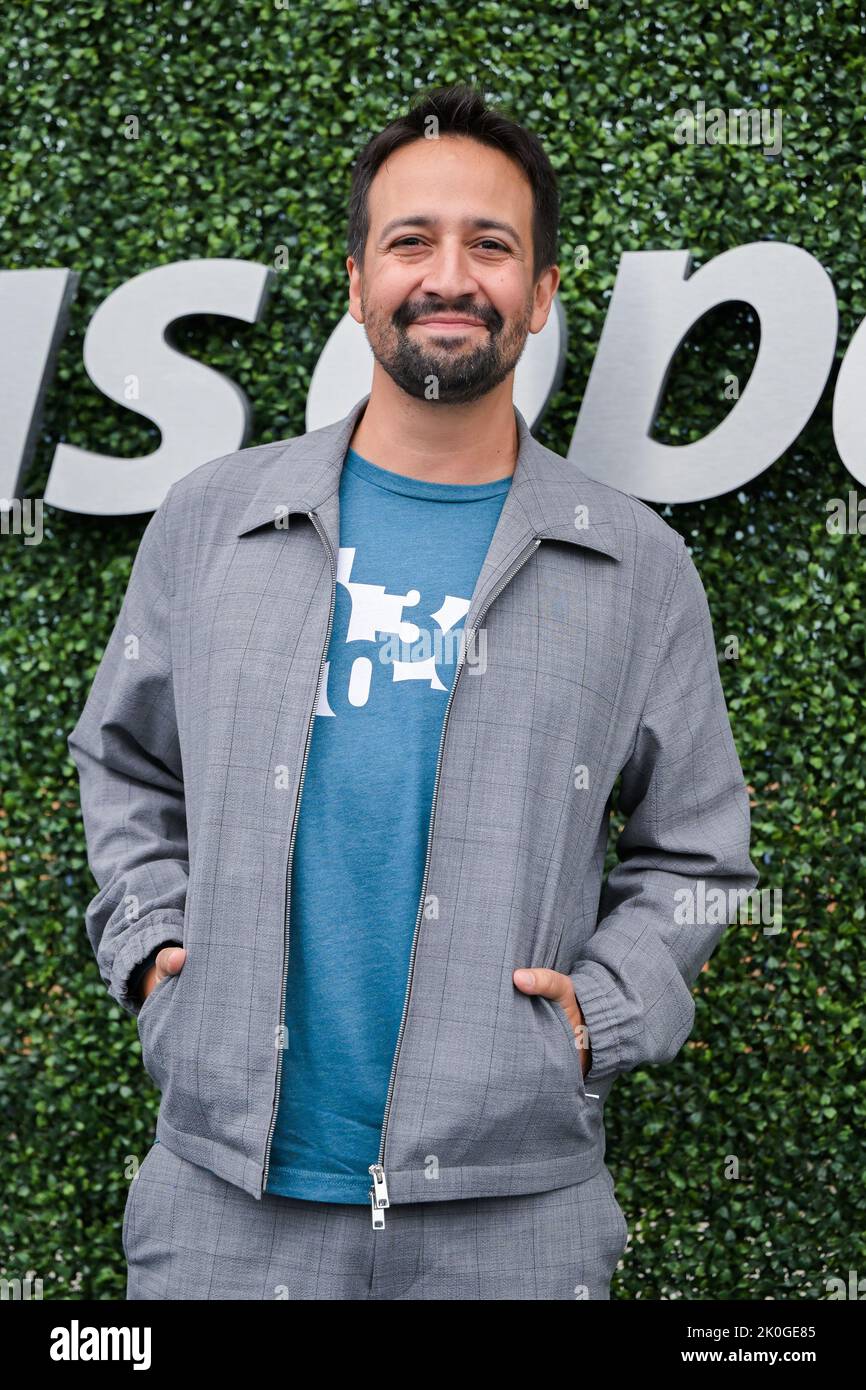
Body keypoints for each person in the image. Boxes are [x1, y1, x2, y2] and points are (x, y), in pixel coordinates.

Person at [68, 83, 759, 1301]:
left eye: (489, 245)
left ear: (540, 294)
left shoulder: (634, 564)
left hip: (517, 1220)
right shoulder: (211, 521)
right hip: (224, 1203)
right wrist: (154, 956)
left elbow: (697, 860)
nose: (450, 276)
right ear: (357, 282)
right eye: (411, 242)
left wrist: (598, 1017)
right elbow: (124, 763)